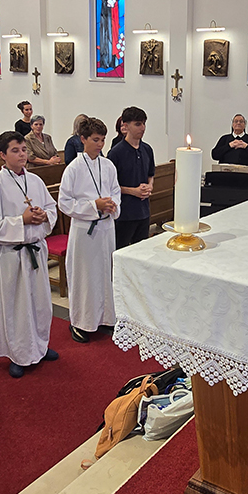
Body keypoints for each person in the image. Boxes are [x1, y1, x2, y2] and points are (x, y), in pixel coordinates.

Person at [0, 131, 60, 377]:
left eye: (24, 149)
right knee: (16, 306)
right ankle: (18, 353)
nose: (22, 154)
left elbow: (51, 207)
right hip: (11, 256)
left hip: (35, 251)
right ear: (2, 155)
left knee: (39, 303)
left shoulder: (34, 181)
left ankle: (40, 344)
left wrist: (44, 215)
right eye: (15, 150)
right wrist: (21, 221)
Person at [58, 117, 120, 343]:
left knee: (106, 274)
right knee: (85, 277)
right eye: (95, 140)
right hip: (85, 231)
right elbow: (64, 203)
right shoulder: (73, 168)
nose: (100, 144)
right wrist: (94, 206)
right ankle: (81, 322)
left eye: (103, 140)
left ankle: (105, 318)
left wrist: (113, 205)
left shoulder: (108, 165)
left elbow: (115, 190)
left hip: (106, 228)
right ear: (82, 139)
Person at [107, 106, 155, 249]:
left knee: (141, 251)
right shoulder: (115, 153)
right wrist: (133, 191)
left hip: (143, 211)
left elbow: (151, 175)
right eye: (138, 124)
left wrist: (150, 186)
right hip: (124, 213)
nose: (143, 128)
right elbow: (110, 186)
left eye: (144, 123)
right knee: (121, 251)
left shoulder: (147, 149)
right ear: (126, 126)